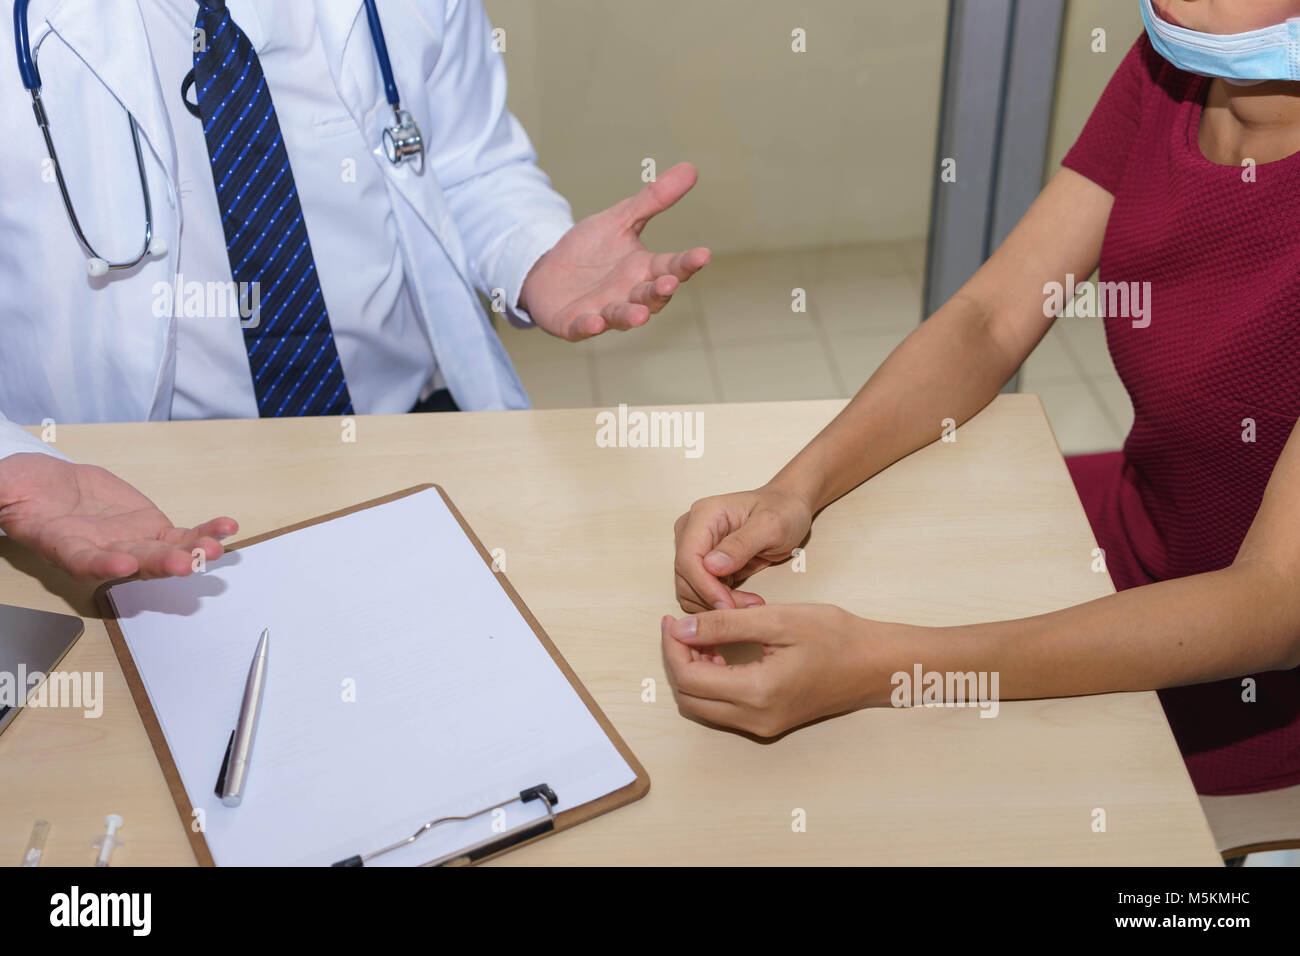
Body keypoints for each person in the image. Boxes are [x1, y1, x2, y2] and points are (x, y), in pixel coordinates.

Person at [667, 0, 1300, 797]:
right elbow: (991, 319)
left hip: (1244, 680)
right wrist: (792, 490)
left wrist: (885, 669)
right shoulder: (1176, 61)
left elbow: (1273, 603)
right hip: (1131, 536)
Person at [0, 0, 709, 581]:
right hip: (123, 492)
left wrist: (529, 255)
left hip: (402, 439)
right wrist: (12, 460)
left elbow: (467, 162)